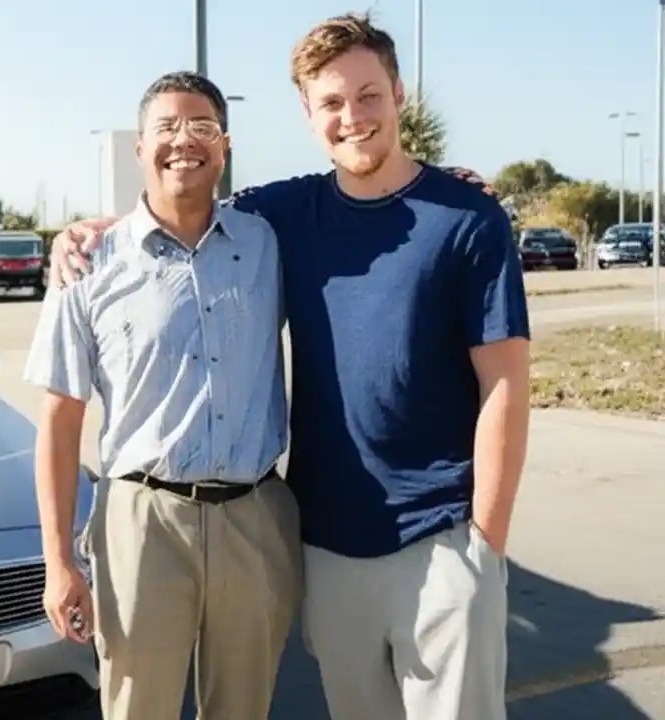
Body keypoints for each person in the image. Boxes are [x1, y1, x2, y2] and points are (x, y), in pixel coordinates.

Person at [47, 13, 530, 720]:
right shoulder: (283, 214)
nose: (352, 118)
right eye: (331, 103)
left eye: (368, 96)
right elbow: (181, 201)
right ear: (309, 113)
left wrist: (485, 545)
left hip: (444, 537)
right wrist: (97, 228)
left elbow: (506, 386)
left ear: (398, 93)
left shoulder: (466, 219)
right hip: (326, 545)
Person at [23, 70, 302, 720]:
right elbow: (61, 424)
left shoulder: (268, 244)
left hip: (254, 518)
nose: (185, 141)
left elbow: (354, 193)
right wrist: (58, 561)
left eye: (202, 127)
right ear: (139, 147)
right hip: (142, 524)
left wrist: (448, 179)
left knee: (244, 709)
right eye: (167, 128)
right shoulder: (88, 265)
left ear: (224, 148)